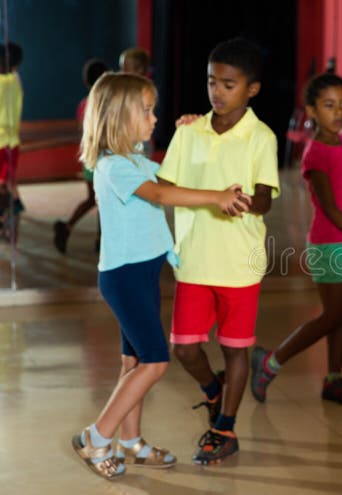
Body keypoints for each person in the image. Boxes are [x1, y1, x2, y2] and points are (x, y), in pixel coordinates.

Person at [70, 72, 249, 479]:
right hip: (125, 278)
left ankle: (131, 442)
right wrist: (217, 198)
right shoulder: (115, 166)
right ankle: (96, 438)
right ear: (118, 117)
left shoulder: (133, 158)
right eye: (147, 111)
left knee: (133, 361)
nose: (155, 118)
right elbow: (164, 195)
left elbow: (166, 178)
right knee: (154, 361)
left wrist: (187, 135)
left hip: (143, 272)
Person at [157, 37, 280, 465]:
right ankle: (215, 393)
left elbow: (266, 196)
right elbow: (166, 189)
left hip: (238, 265)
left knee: (235, 350)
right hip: (193, 260)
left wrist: (245, 200)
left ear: (252, 89)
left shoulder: (260, 136)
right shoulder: (189, 131)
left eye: (229, 84)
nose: (218, 91)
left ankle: (224, 429)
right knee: (185, 349)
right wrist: (211, 196)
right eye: (212, 82)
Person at [250, 73, 342, 407]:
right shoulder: (315, 154)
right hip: (330, 244)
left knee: (341, 314)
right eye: (328, 106)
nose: (338, 113)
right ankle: (271, 362)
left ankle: (334, 379)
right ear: (311, 110)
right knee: (332, 316)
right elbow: (331, 209)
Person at [54, 58, 109, 254]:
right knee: (101, 200)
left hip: (89, 158)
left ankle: (93, 237)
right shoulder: (103, 104)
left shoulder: (83, 104)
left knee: (97, 199)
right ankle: (72, 229)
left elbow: (83, 133)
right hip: (102, 159)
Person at [0, 42, 24, 241]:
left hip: (0, 142)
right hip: (13, 142)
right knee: (9, 183)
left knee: (3, 186)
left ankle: (6, 220)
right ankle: (12, 218)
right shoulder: (16, 80)